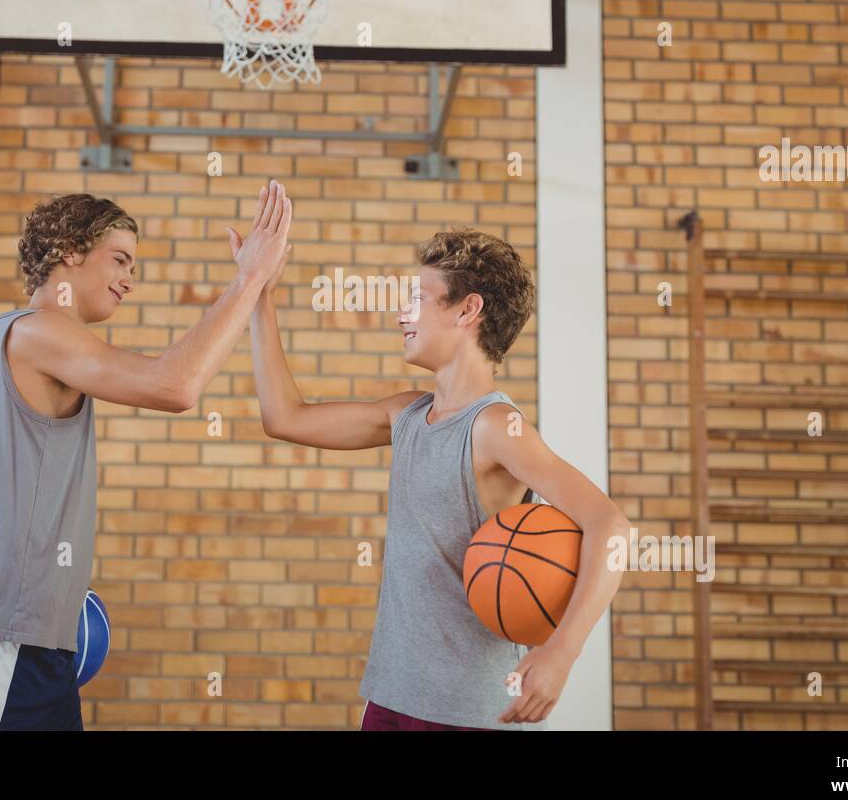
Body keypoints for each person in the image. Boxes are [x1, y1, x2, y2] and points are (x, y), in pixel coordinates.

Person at [0, 183, 292, 729]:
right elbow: (174, 386)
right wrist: (250, 277)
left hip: (37, 642)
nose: (129, 279)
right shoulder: (36, 333)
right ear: (69, 249)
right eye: (118, 259)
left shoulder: (46, 342)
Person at [246, 227, 630, 730]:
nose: (402, 313)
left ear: (467, 310)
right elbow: (284, 418)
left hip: (466, 709)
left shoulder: (495, 428)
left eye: (418, 299)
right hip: (392, 697)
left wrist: (562, 652)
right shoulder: (406, 414)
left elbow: (612, 527)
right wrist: (259, 291)